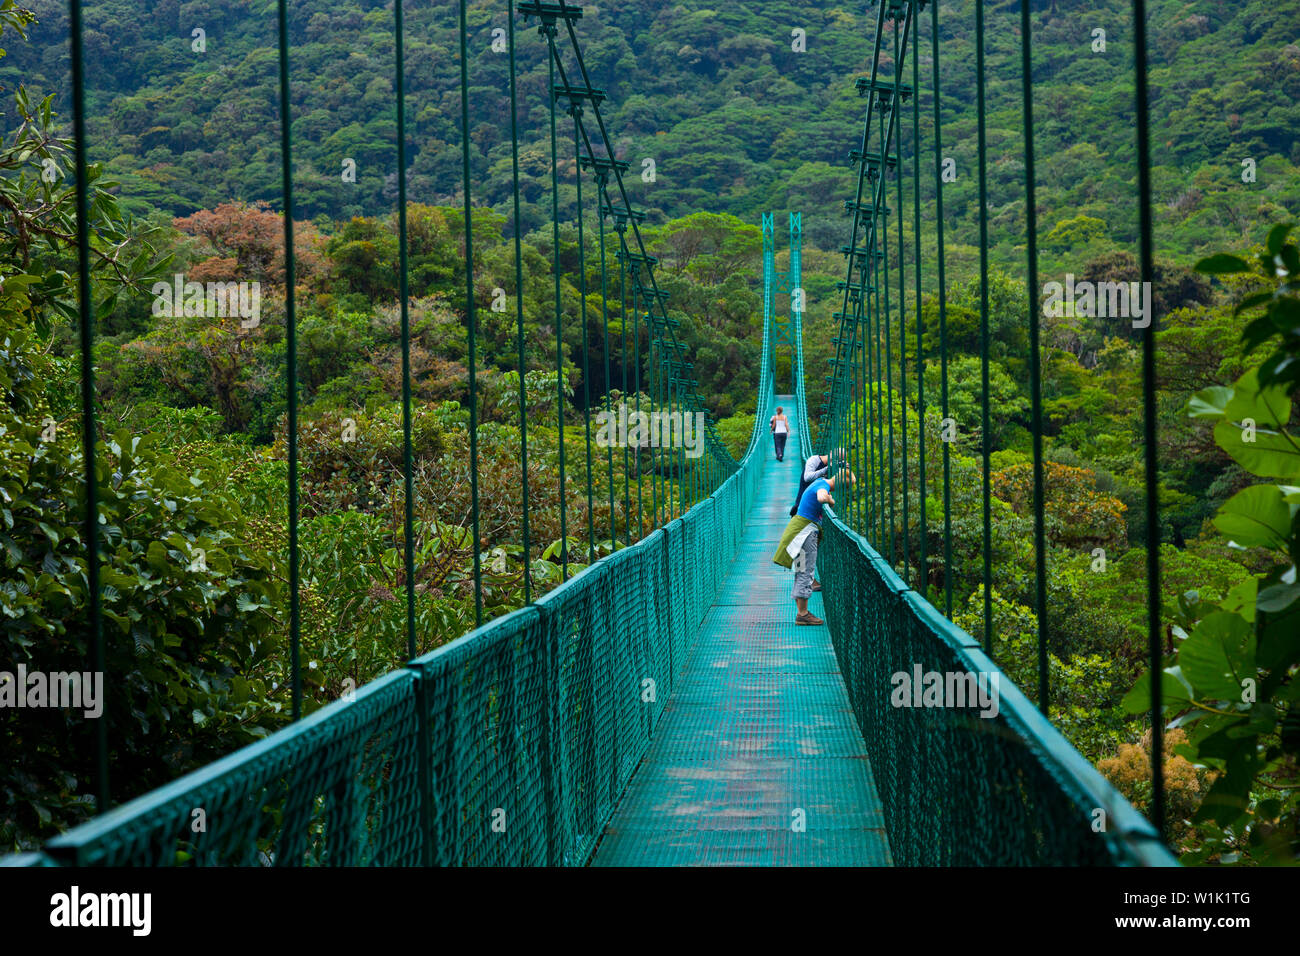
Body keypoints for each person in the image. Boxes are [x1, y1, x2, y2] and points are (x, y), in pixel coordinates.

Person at [773, 469, 852, 625]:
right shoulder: (823, 487)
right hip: (805, 534)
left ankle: (801, 612)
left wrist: (830, 499)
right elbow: (822, 496)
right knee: (806, 571)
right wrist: (828, 499)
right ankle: (803, 614)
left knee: (800, 570)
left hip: (797, 532)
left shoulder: (819, 481)